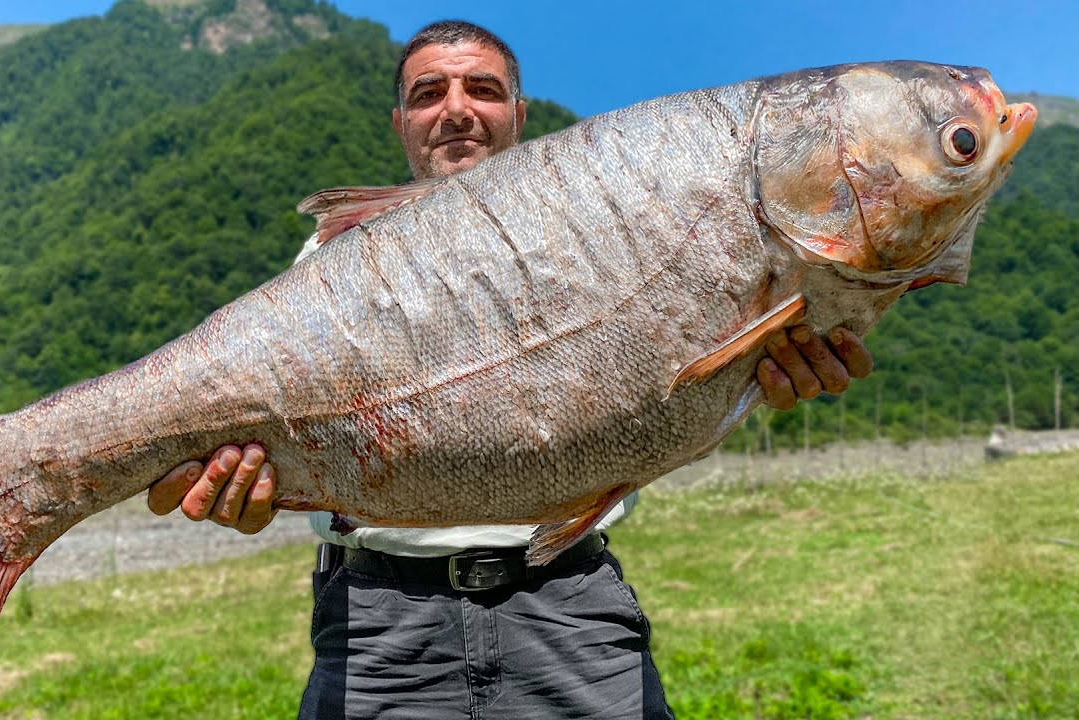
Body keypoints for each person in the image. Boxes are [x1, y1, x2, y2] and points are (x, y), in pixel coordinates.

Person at [148, 21, 873, 719]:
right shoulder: (331, 262)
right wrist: (247, 491)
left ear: (519, 114)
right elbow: (255, 443)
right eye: (430, 94)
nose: (457, 110)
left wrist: (770, 361)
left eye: (483, 90)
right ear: (400, 123)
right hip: (380, 625)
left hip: (570, 605)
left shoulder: (604, 223)